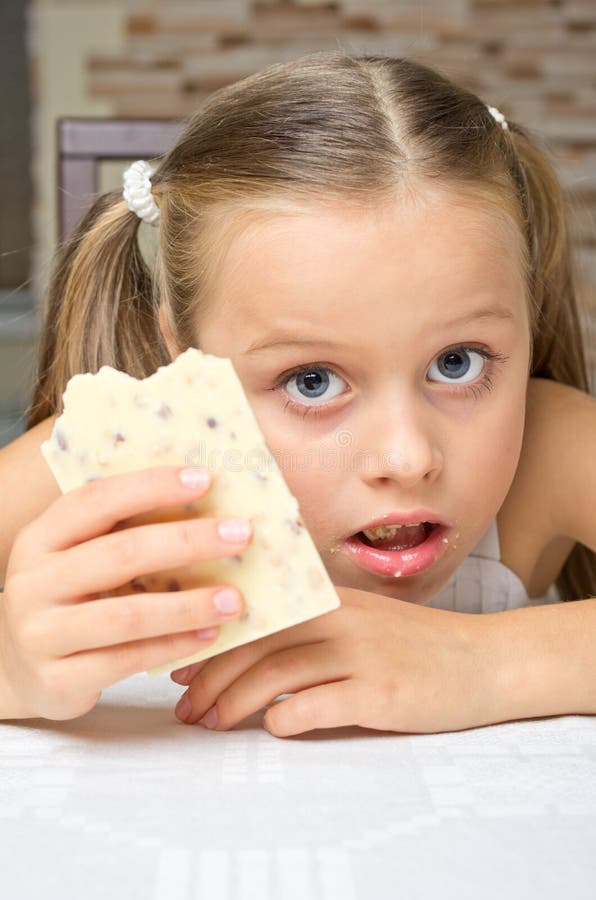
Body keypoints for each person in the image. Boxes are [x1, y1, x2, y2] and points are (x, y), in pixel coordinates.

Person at [0, 51, 595, 735]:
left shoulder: (547, 453)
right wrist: (10, 666)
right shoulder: (111, 473)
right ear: (185, 354)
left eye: (457, 363)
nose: (406, 458)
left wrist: (481, 665)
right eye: (313, 381)